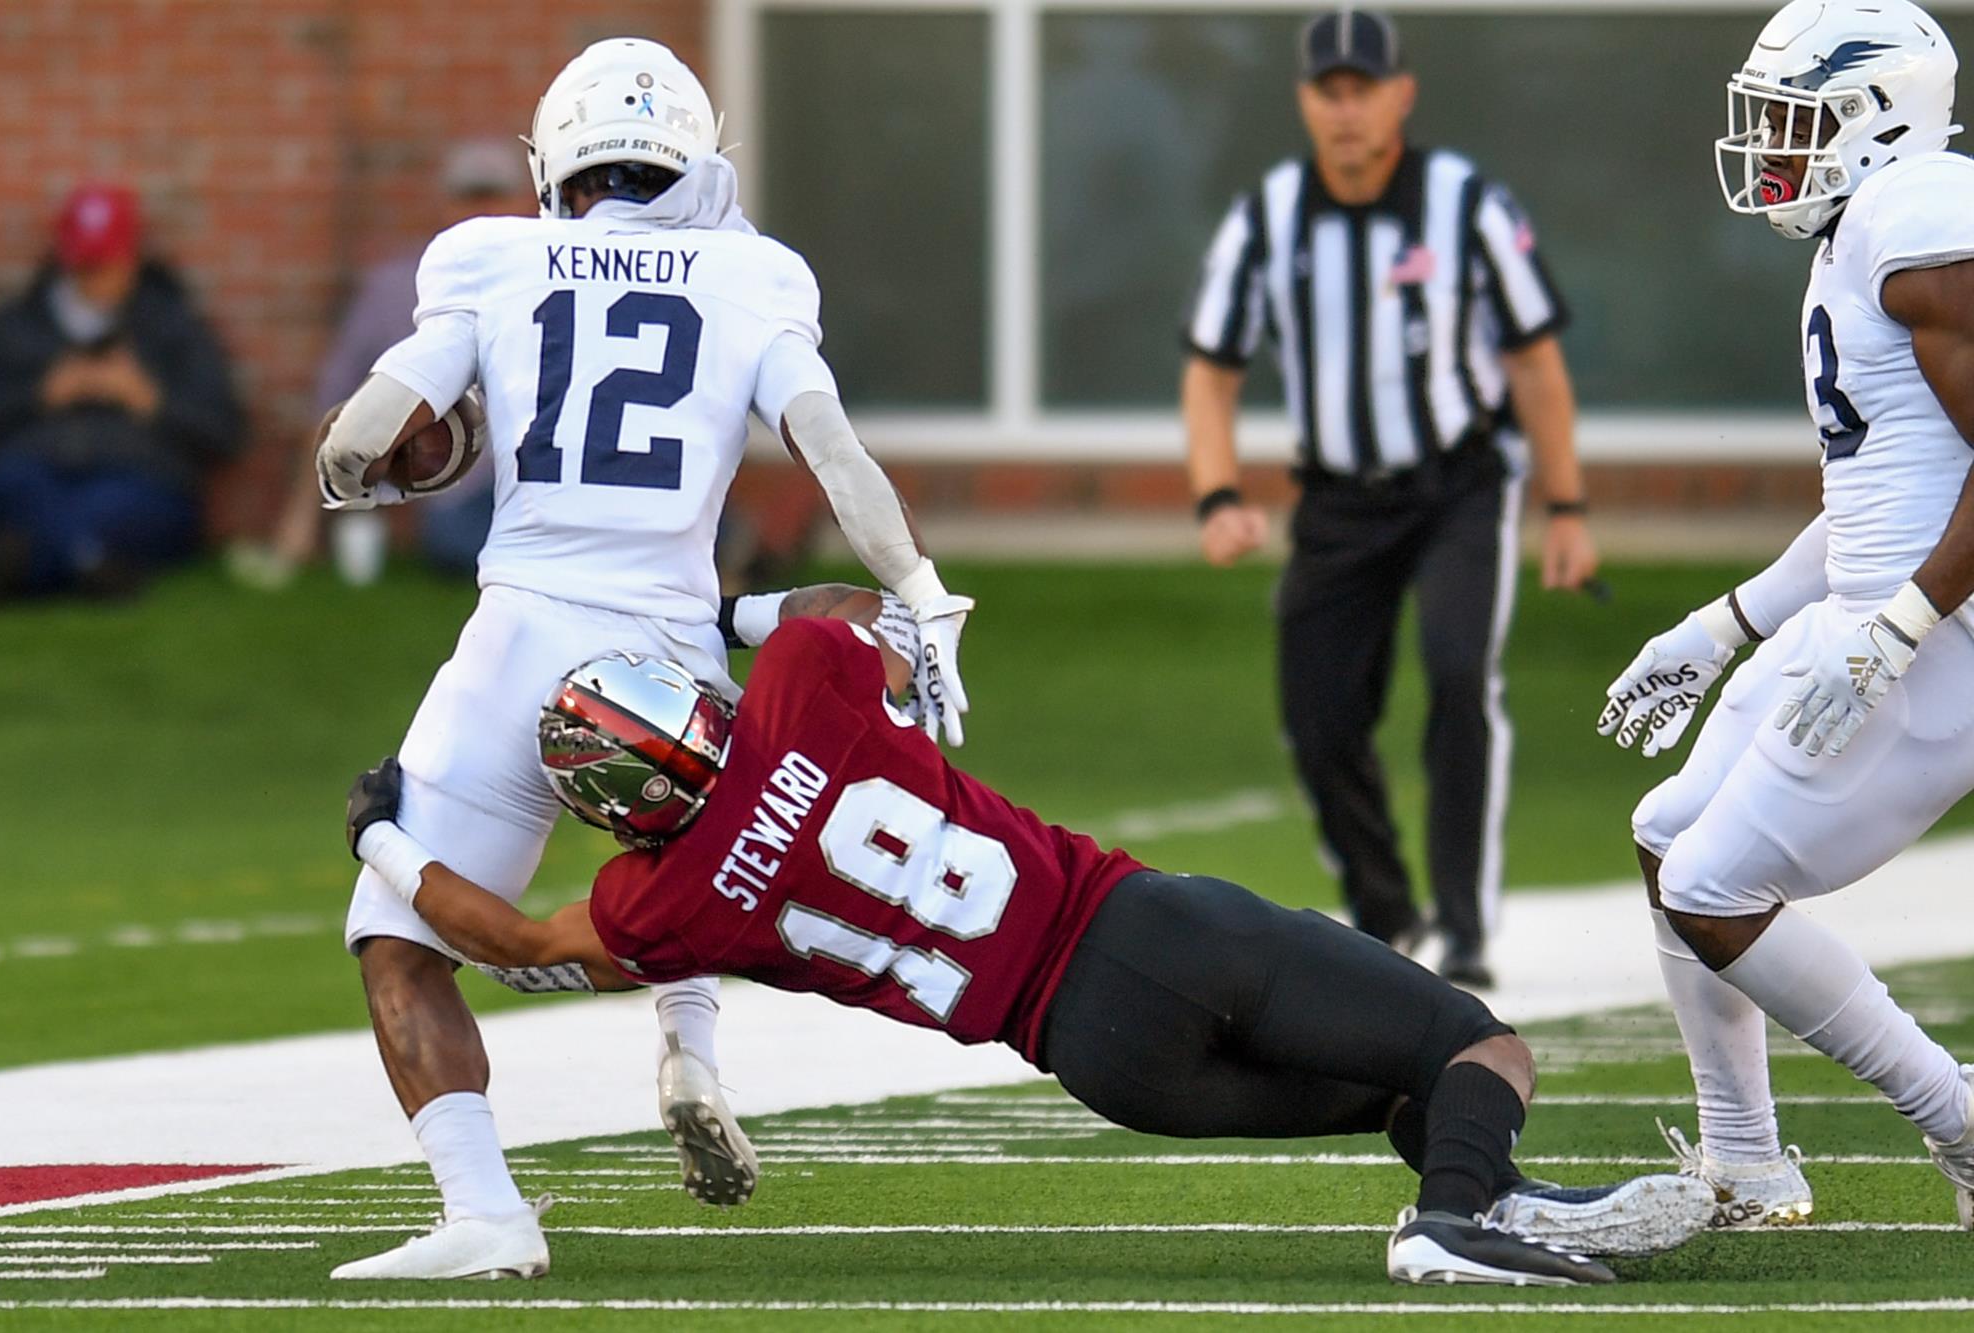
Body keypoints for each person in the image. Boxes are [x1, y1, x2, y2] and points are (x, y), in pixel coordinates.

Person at [340, 591, 1716, 1286]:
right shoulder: (803, 689)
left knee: (1422, 1094)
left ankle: (1478, 1204)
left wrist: (385, 842)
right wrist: (731, 617)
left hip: (1094, 1058)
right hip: (1145, 930)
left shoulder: (662, 902)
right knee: (1480, 1041)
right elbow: (850, 620)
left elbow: (509, 933)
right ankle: (1457, 1224)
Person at [311, 39, 977, 1280]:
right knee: (685, 874)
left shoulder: (487, 257)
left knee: (396, 939)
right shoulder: (753, 273)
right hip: (671, 639)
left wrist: (377, 468)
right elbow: (834, 454)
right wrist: (920, 592)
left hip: (519, 634)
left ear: (553, 165)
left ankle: (485, 1210)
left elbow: (358, 443)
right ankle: (690, 1049)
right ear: (694, 156)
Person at [1597, 0, 1974, 1231]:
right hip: (1882, 613)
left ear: (1879, 122)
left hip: (1946, 634)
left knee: (1712, 888)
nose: (1769, 145)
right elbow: (1874, 498)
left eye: (1795, 120)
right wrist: (1718, 628)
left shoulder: (1919, 219)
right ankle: (1745, 1158)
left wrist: (1902, 627)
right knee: (1669, 840)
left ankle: (1960, 1123)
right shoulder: (1858, 231)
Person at [1179, 7, 1599, 987]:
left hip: (1456, 483)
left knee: (1457, 675)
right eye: (1326, 92)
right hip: (1334, 497)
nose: (1345, 111)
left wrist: (1566, 508)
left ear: (1399, 95)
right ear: (1302, 102)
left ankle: (1462, 928)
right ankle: (1385, 913)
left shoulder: (1463, 206)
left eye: (1361, 89)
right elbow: (1211, 369)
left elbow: (1533, 361)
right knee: (1317, 710)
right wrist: (1216, 493)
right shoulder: (1267, 218)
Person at [230, 140, 524, 591]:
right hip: (460, 491)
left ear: (522, 204)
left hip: (538, 474)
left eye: (494, 196)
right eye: (470, 196)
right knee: (455, 539)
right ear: (445, 204)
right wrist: (299, 525)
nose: (481, 211)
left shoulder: (546, 282)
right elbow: (337, 397)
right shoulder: (395, 287)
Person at [0, 184, 242, 600]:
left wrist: (147, 399)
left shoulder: (173, 327)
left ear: (133, 257)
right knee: (13, 488)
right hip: (34, 470)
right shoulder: (14, 325)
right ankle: (89, 563)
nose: (95, 275)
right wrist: (41, 395)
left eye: (106, 262)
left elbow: (224, 431)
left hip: (138, 476)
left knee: (116, 509)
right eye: (85, 263)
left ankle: (28, 568)